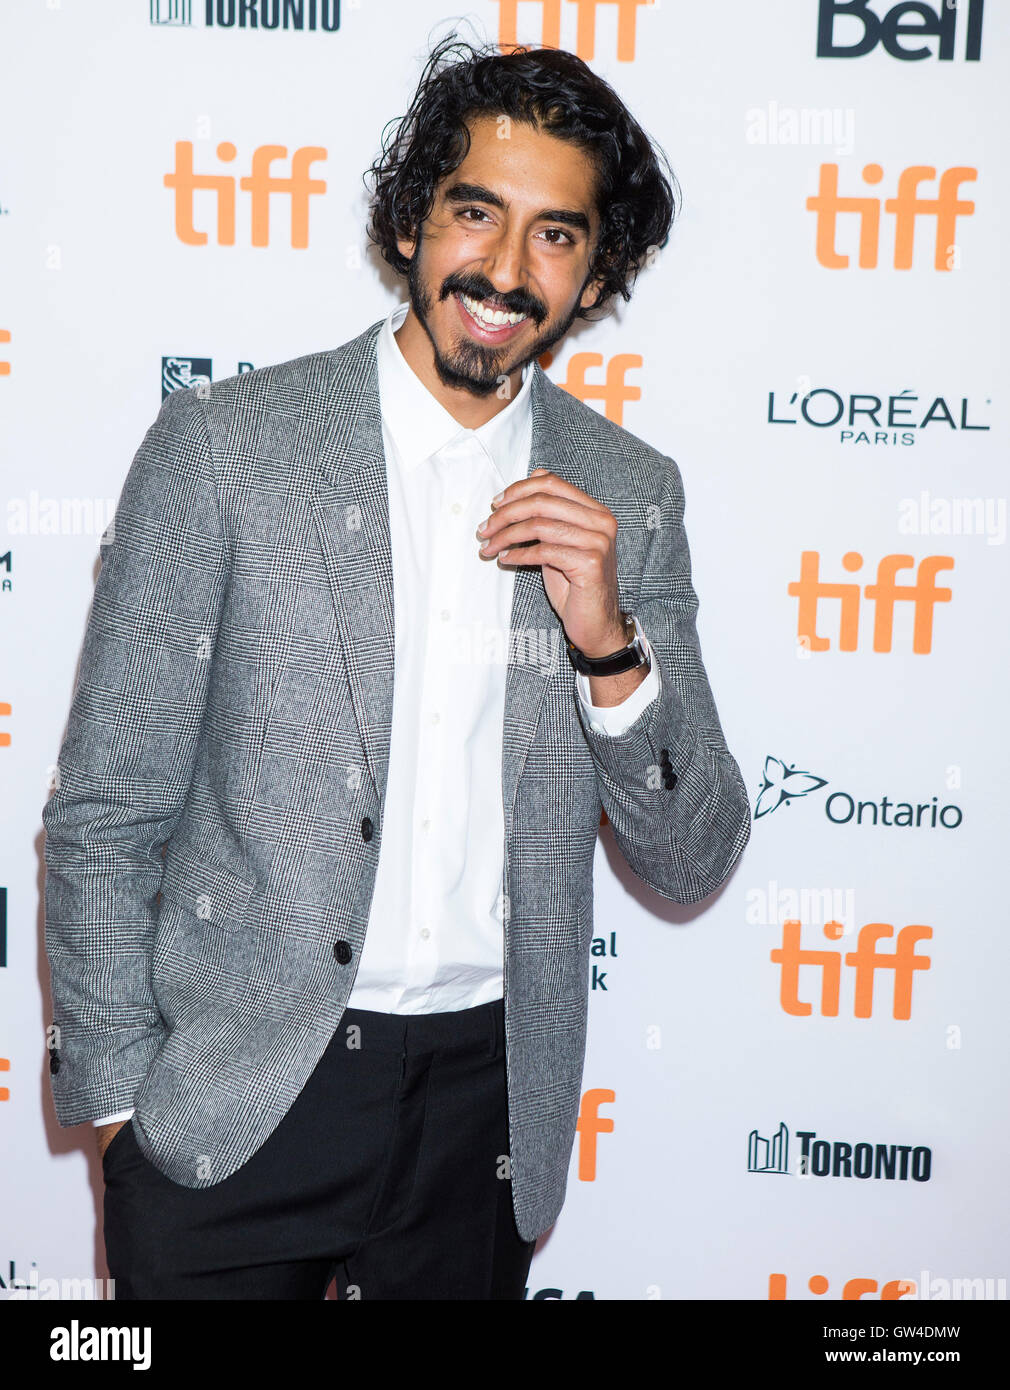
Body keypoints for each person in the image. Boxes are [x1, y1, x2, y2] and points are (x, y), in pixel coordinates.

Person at [42, 36, 751, 1300]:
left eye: (555, 235)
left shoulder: (628, 497)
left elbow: (692, 855)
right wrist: (115, 1118)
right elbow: (105, 815)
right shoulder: (225, 450)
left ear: (597, 275)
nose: (504, 270)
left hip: (480, 1115)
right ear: (414, 220)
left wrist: (606, 642)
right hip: (232, 1101)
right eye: (476, 212)